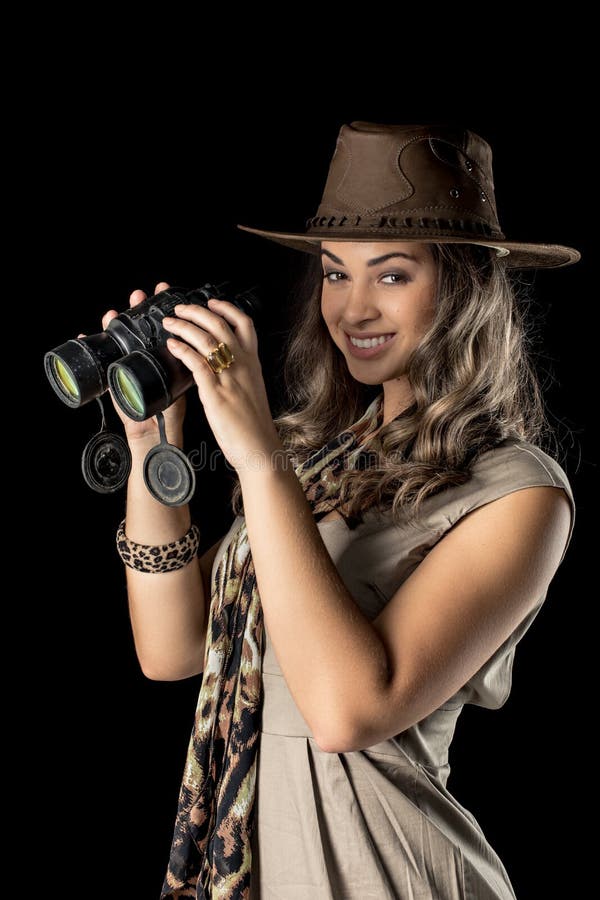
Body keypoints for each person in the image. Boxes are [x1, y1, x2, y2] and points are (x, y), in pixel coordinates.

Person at [109, 122, 580, 899]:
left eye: (391, 276)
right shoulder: (317, 463)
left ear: (462, 287)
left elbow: (347, 709)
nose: (353, 308)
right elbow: (172, 650)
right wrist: (151, 444)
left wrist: (259, 461)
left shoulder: (519, 492)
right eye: (335, 274)